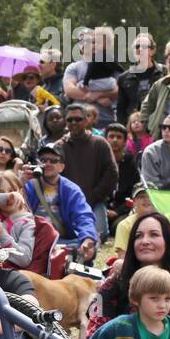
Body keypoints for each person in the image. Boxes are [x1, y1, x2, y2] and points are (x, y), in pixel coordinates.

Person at [23, 142, 97, 262]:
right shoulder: (28, 185)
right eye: (43, 160)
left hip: (63, 240)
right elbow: (11, 208)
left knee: (87, 245)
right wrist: (19, 183)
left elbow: (84, 216)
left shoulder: (71, 190)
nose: (47, 163)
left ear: (61, 167)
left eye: (53, 161)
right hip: (33, 239)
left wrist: (88, 238)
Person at [59, 103, 117, 240]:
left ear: (86, 120)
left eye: (78, 119)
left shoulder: (100, 144)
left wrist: (93, 196)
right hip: (66, 202)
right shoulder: (59, 146)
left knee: (99, 235)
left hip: (94, 201)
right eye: (70, 120)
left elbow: (111, 173)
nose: (74, 123)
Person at [63, 27, 119, 127]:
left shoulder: (109, 64)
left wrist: (98, 94)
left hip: (106, 119)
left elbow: (119, 90)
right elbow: (70, 90)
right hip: (79, 121)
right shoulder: (73, 67)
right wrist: (97, 98)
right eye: (82, 41)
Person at [116, 33, 161, 125]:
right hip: (134, 127)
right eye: (137, 46)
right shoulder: (123, 78)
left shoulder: (164, 73)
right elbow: (121, 109)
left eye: (144, 46)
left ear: (152, 51)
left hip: (157, 124)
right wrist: (124, 130)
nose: (140, 49)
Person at [105, 122, 138, 231]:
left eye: (119, 137)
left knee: (118, 227)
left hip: (123, 208)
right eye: (111, 136)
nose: (115, 140)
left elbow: (134, 191)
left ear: (125, 141)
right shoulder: (99, 159)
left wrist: (118, 211)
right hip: (102, 207)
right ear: (105, 139)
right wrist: (105, 210)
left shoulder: (130, 161)